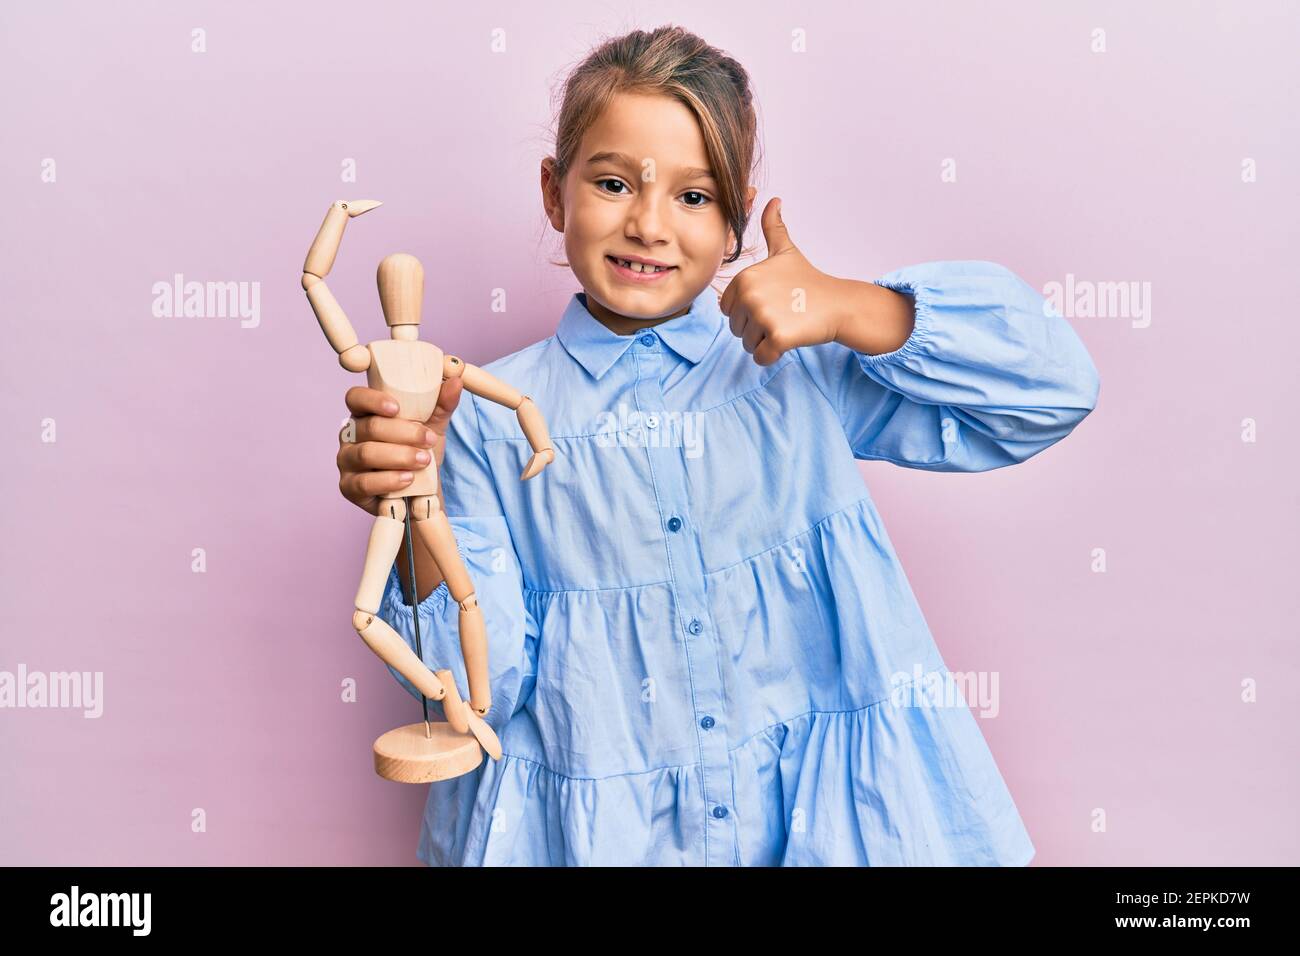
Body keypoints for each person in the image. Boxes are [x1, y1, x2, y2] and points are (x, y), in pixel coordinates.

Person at [335, 25, 1100, 866]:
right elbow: (475, 691)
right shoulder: (480, 417)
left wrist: (849, 305)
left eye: (694, 197)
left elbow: (1052, 389)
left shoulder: (794, 358)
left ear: (737, 218)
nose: (649, 225)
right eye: (614, 182)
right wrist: (414, 508)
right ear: (555, 193)